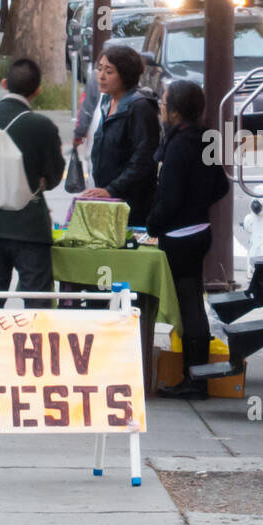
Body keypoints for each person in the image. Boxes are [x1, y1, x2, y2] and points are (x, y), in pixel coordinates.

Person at [147, 80, 230, 399]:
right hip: (199, 232)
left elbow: (168, 199)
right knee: (193, 302)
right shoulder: (204, 138)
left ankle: (195, 380)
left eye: (164, 105)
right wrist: (198, 205)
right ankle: (197, 376)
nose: (161, 110)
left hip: (180, 237)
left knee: (190, 308)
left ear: (177, 112)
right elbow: (220, 186)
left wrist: (153, 225)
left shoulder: (179, 146)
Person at [0, 58, 65, 308]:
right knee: (37, 304)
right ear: (37, 90)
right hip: (31, 227)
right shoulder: (42, 127)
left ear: (4, 84)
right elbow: (54, 176)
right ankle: (32, 347)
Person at [83, 44, 160, 226]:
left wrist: (112, 189)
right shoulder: (107, 101)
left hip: (132, 203)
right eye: (100, 69)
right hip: (108, 198)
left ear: (125, 74)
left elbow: (143, 159)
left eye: (109, 71)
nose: (101, 76)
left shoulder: (140, 107)